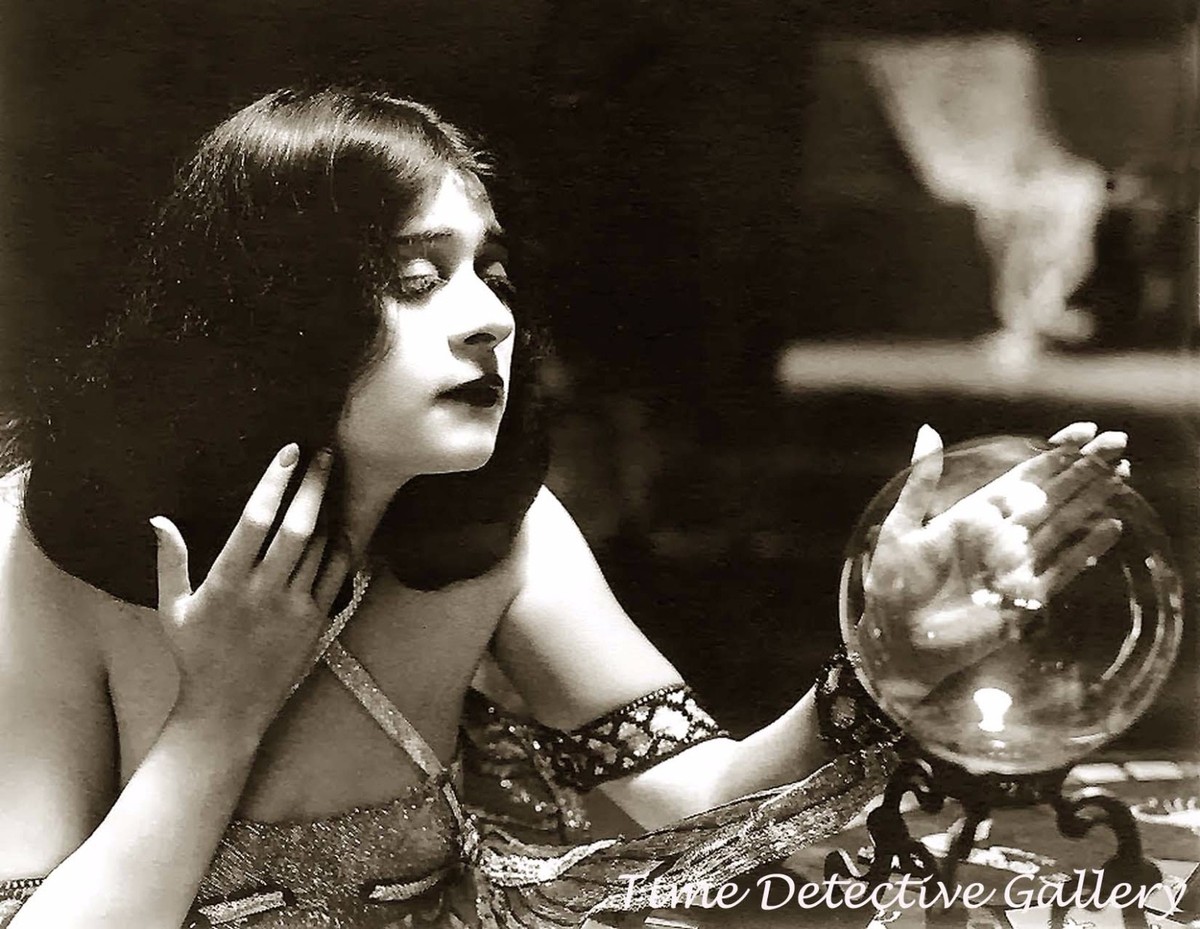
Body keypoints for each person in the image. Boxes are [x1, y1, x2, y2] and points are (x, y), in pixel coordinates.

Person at [0, 87, 1128, 929]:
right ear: (273, 311)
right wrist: (217, 714)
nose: (490, 317)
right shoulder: (43, 545)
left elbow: (700, 810)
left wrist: (889, 656)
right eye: (416, 279)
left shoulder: (503, 532)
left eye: (490, 272)